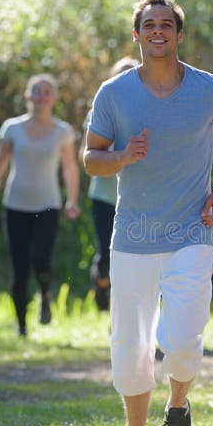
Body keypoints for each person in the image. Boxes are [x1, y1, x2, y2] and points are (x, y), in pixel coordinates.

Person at [84, 0, 213, 426]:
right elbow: (90, 157)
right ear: (136, 36)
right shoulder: (114, 94)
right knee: (130, 346)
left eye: (167, 24)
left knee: (181, 339)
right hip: (132, 237)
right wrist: (122, 157)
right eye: (148, 24)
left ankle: (178, 404)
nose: (158, 30)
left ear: (179, 35)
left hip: (191, 232)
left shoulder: (208, 90)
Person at [0, 73, 80, 336]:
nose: (41, 95)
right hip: (15, 205)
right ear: (28, 97)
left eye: (46, 91)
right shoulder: (12, 128)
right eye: (36, 91)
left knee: (40, 258)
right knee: (19, 268)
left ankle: (45, 294)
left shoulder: (63, 131)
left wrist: (72, 201)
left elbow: (70, 169)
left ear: (54, 98)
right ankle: (22, 325)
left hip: (48, 205)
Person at [78, 57, 137, 311]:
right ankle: (100, 279)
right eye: (121, 75)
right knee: (108, 256)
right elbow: (86, 153)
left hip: (138, 195)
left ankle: (121, 315)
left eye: (131, 75)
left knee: (132, 259)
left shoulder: (151, 109)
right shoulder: (99, 110)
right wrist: (114, 157)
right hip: (104, 194)